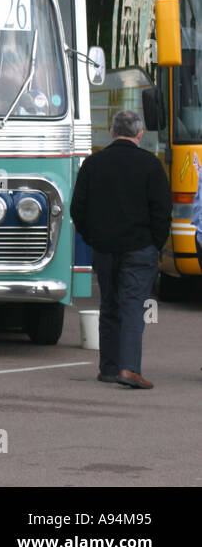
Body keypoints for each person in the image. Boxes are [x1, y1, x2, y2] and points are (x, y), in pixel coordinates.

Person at [71, 109, 170, 389]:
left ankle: (109, 367)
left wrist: (93, 238)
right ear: (140, 134)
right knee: (132, 306)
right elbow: (162, 211)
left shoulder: (93, 164)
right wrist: (155, 244)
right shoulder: (150, 165)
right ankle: (130, 369)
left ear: (112, 133)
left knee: (109, 304)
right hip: (140, 248)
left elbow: (78, 208)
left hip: (104, 249)